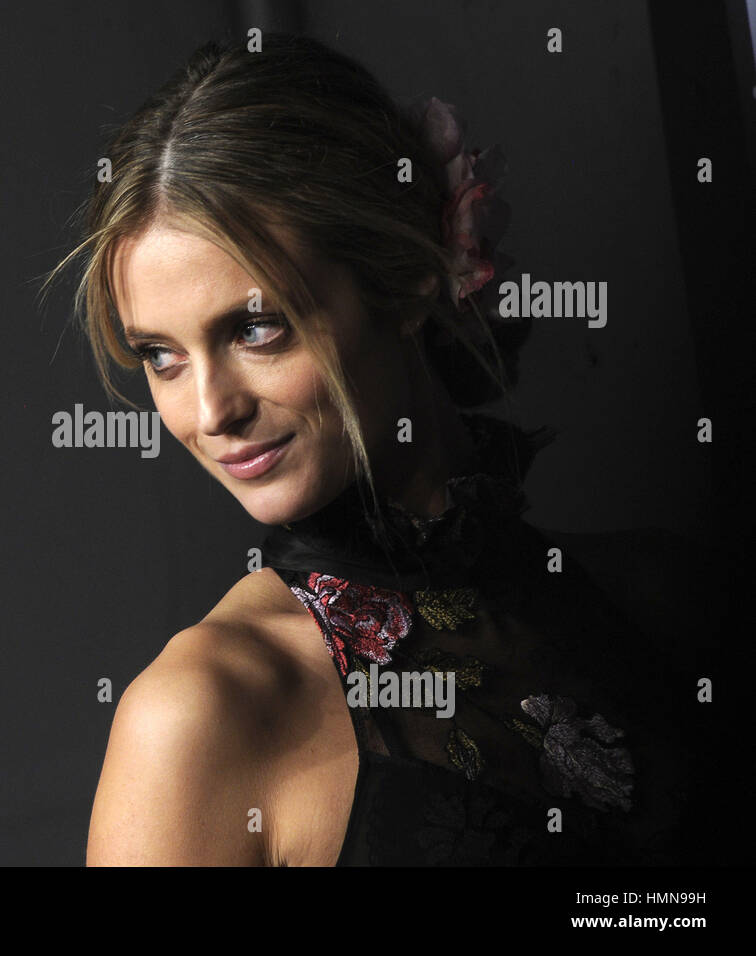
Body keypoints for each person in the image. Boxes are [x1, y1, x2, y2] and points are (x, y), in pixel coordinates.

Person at [40, 33, 698, 865]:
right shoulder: (203, 713)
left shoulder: (665, 598)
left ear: (409, 274)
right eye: (159, 355)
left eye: (254, 327)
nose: (210, 411)